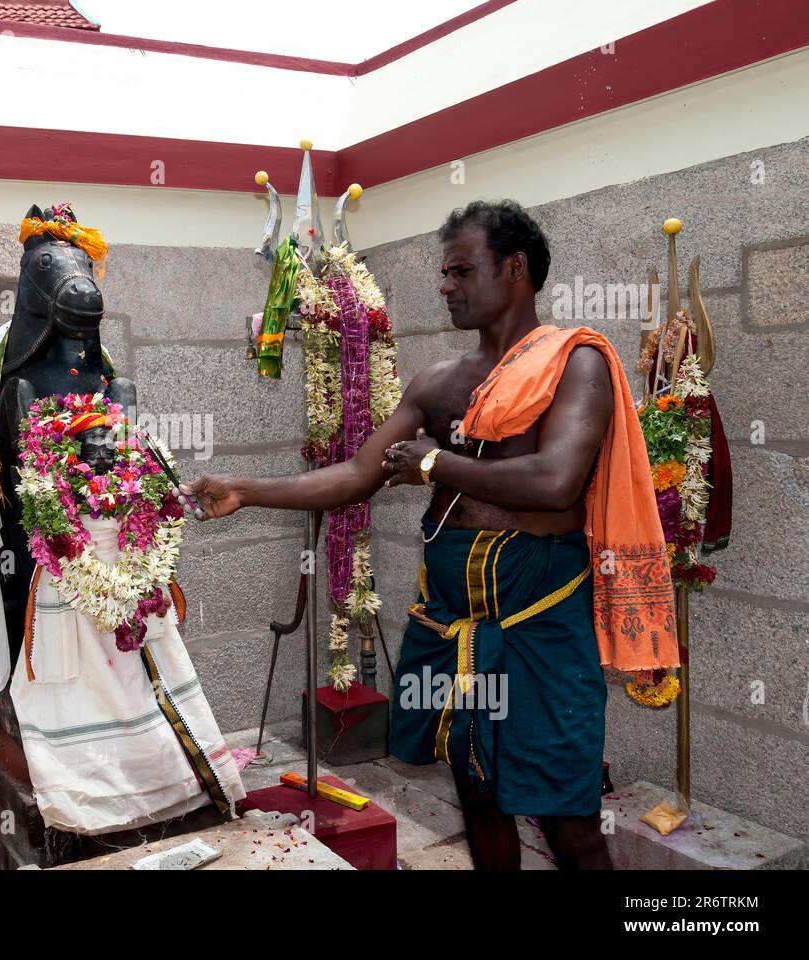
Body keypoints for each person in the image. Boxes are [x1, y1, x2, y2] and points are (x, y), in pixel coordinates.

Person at [184, 200, 678, 870]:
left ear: (516, 268)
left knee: (568, 816)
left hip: (542, 624)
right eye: (444, 272)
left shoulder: (575, 362)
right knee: (477, 790)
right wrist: (246, 490)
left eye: (461, 270)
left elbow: (555, 481)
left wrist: (434, 463)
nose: (446, 285)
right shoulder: (438, 382)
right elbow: (357, 473)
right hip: (451, 622)